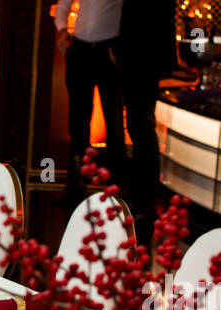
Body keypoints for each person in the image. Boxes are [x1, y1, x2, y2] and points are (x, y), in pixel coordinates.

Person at [112, 1, 177, 242]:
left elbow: (137, 19)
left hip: (142, 58)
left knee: (142, 128)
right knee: (140, 127)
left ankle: (145, 199)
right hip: (143, 59)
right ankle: (143, 197)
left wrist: (119, 49)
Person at [54, 0, 126, 200]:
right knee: (78, 121)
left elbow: (130, 13)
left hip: (109, 50)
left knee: (114, 123)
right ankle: (76, 186)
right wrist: (62, 31)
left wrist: (120, 48)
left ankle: (115, 190)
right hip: (80, 50)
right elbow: (63, 6)